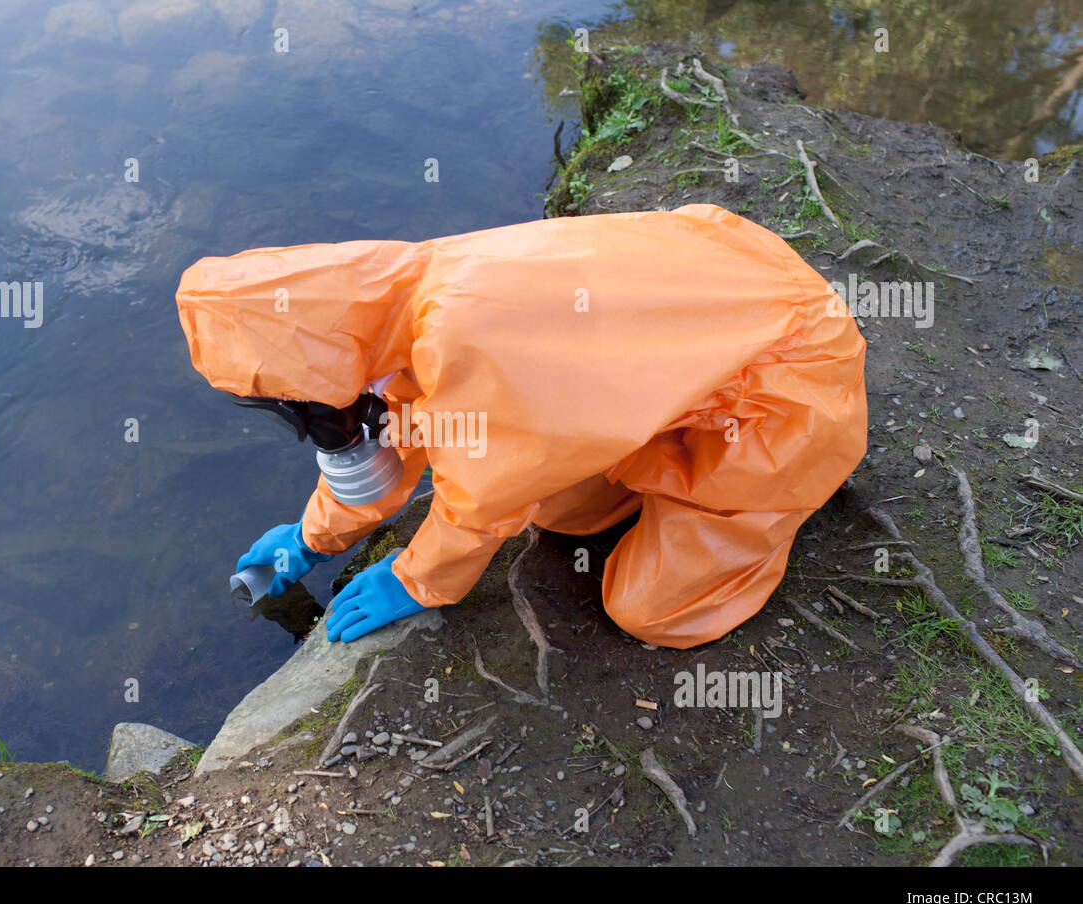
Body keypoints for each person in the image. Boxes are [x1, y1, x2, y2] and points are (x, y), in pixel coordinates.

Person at [176, 204, 867, 648]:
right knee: (563, 510)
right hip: (739, 282)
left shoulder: (459, 341)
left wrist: (416, 580)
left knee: (650, 611)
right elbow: (401, 443)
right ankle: (684, 479)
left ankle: (770, 511)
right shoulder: (395, 297)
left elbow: (482, 503)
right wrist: (311, 537)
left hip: (786, 384)